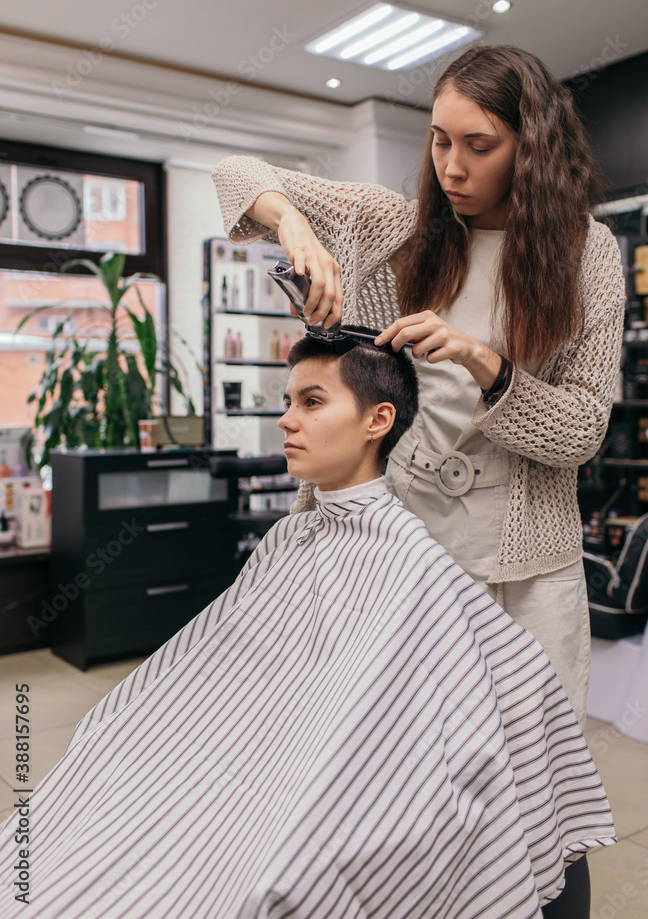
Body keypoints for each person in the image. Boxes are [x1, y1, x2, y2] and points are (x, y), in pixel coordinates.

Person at [0, 330, 614, 919]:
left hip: (308, 779)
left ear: (378, 420)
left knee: (267, 873)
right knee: (109, 742)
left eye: (312, 402)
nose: (286, 420)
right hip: (247, 753)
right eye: (287, 402)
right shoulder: (295, 533)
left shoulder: (407, 559)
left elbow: (415, 716)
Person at [212, 44, 626, 726]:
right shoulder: (396, 227)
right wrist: (292, 226)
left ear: (532, 149)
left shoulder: (588, 254)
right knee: (396, 773)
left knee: (528, 777)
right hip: (395, 548)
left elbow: (580, 433)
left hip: (524, 569)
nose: (451, 166)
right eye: (438, 140)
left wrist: (482, 362)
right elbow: (236, 172)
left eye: (478, 145)